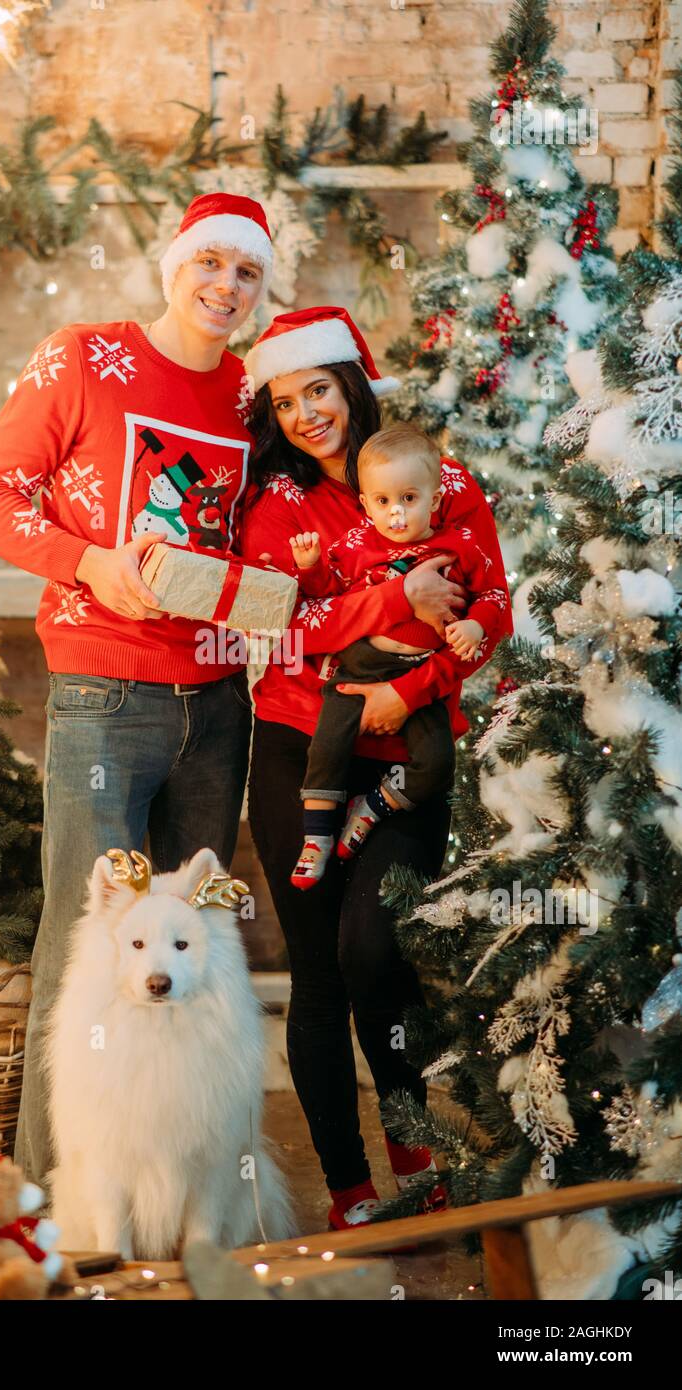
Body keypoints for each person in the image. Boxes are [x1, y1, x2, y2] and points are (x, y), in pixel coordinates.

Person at [0, 191, 274, 1190]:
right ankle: (49, 1198)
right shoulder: (85, 358)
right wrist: (90, 561)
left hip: (221, 707)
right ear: (175, 263)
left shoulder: (252, 399)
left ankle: (177, 1185)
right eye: (210, 262)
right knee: (87, 943)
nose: (224, 286)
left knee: (194, 947)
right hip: (104, 696)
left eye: (247, 272)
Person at [239, 305, 513, 1229]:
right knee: (317, 973)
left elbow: (488, 611)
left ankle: (415, 1167)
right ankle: (349, 1194)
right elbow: (281, 625)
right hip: (297, 744)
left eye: (317, 389)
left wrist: (414, 687)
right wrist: (397, 595)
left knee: (375, 954)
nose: (306, 414)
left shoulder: (441, 480)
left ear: (350, 383)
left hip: (402, 751)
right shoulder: (277, 501)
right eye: (284, 402)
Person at [288, 422, 509, 888]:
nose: (396, 514)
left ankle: (373, 805)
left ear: (434, 498)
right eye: (383, 502)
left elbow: (493, 596)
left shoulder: (458, 546)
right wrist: (309, 568)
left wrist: (474, 623)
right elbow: (324, 594)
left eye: (409, 499)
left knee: (437, 761)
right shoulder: (357, 546)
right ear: (366, 503)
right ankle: (318, 838)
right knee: (327, 745)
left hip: (423, 673)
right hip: (362, 666)